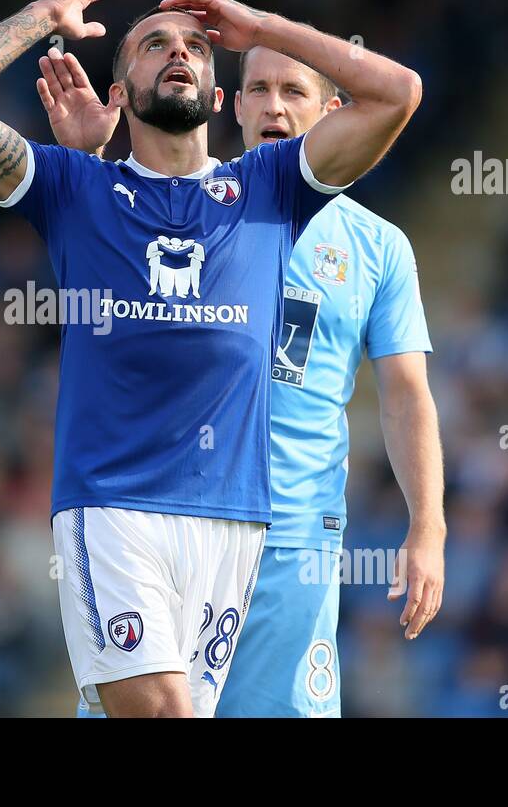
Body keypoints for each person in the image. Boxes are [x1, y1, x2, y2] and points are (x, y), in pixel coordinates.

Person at [0, 0, 422, 717]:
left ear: (218, 96)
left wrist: (265, 30)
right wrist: (45, 16)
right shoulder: (76, 189)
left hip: (234, 520)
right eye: (153, 44)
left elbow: (398, 93)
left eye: (195, 46)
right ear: (118, 95)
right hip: (115, 505)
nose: (178, 50)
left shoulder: (272, 190)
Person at [36, 43, 446, 718]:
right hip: (167, 517)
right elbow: (99, 233)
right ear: (231, 101)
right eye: (257, 88)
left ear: (335, 113)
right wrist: (90, 159)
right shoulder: (198, 207)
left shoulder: (377, 248)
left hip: (293, 539)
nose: (273, 106)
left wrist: (427, 526)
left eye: (293, 90)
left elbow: (405, 395)